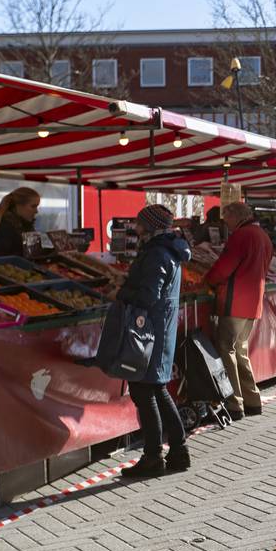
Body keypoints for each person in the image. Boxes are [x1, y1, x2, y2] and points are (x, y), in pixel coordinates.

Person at [117, 205, 192, 478]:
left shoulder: (158, 253)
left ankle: (153, 456)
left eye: (139, 221)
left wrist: (123, 291)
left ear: (149, 225)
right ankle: (178, 450)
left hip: (150, 330)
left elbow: (149, 294)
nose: (136, 226)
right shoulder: (167, 249)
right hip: (160, 327)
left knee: (144, 390)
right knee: (156, 388)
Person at [205, 202, 273, 421]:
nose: (226, 223)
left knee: (228, 350)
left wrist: (209, 280)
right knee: (240, 351)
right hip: (253, 302)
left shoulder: (241, 236)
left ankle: (235, 403)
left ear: (236, 216)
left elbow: (224, 268)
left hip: (235, 302)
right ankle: (253, 400)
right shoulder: (262, 235)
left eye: (227, 218)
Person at [0, 187, 41, 256]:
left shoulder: (23, 226)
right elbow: (0, 258)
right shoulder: (5, 229)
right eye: (33, 206)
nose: (36, 211)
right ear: (19, 206)